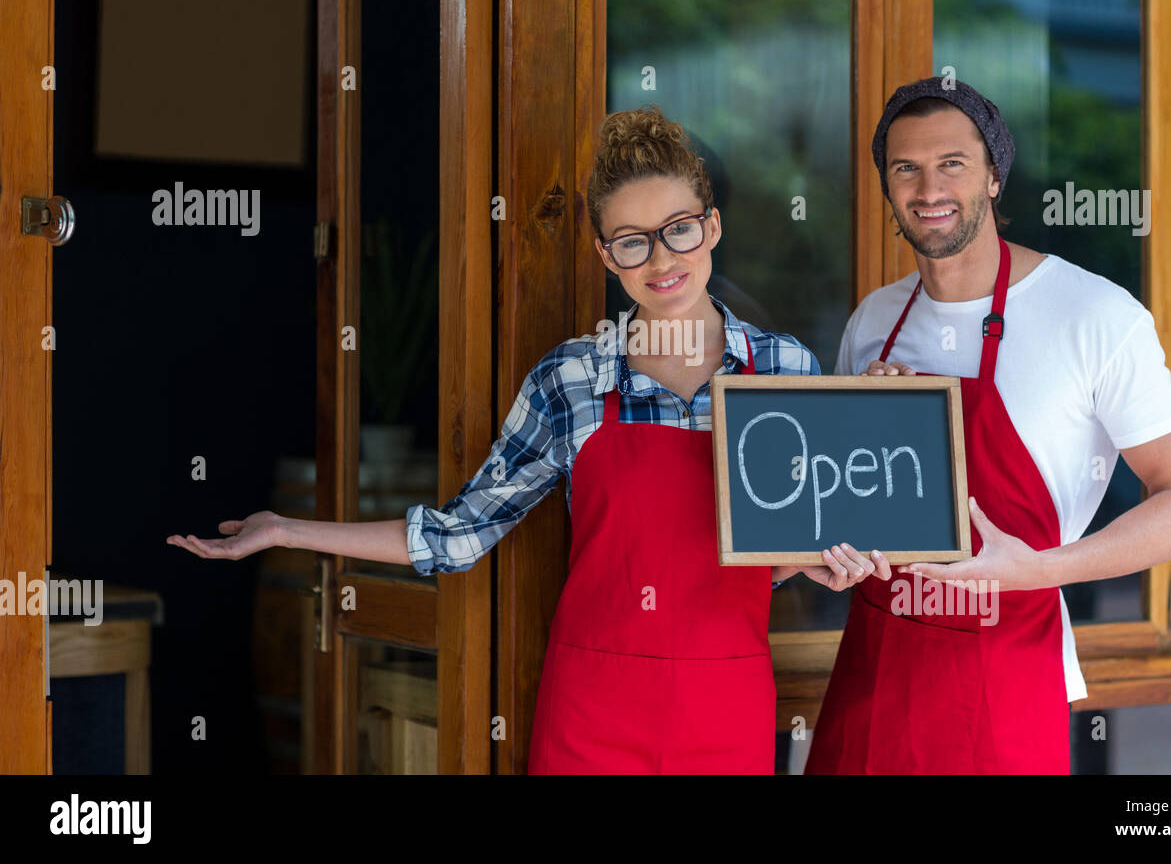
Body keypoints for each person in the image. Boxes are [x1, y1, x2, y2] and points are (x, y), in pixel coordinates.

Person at [168, 105, 885, 774]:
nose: (662, 259)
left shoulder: (785, 370)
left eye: (679, 229)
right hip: (593, 715)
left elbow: (777, 547)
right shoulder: (570, 379)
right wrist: (286, 531)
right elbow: (458, 537)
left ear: (713, 228)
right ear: (607, 256)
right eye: (633, 242)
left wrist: (821, 564)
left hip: (725, 707)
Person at [804, 77, 1171, 775]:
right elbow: (847, 508)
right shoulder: (875, 321)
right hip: (873, 672)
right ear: (887, 188)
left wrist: (1040, 569)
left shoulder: (1093, 315)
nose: (928, 187)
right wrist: (834, 547)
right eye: (905, 168)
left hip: (1004, 679)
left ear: (995, 177)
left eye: (953, 164)